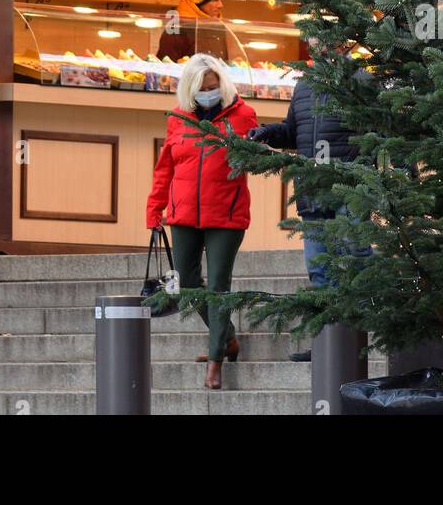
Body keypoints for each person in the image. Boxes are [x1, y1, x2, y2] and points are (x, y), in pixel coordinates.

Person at [147, 52, 258, 389]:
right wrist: (154, 209)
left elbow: (252, 160)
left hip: (225, 215)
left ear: (221, 85)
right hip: (183, 215)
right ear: (190, 90)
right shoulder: (178, 117)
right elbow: (166, 166)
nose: (208, 93)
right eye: (201, 89)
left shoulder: (243, 115)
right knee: (184, 285)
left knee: (218, 287)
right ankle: (227, 338)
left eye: (213, 87)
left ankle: (215, 362)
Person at [249, 72, 371, 360]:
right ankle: (328, 342)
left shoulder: (360, 81)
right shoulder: (304, 86)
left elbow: (381, 127)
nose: (320, 41)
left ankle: (359, 336)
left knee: (354, 256)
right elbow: (293, 131)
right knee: (319, 270)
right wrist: (268, 132)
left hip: (349, 187)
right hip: (312, 190)